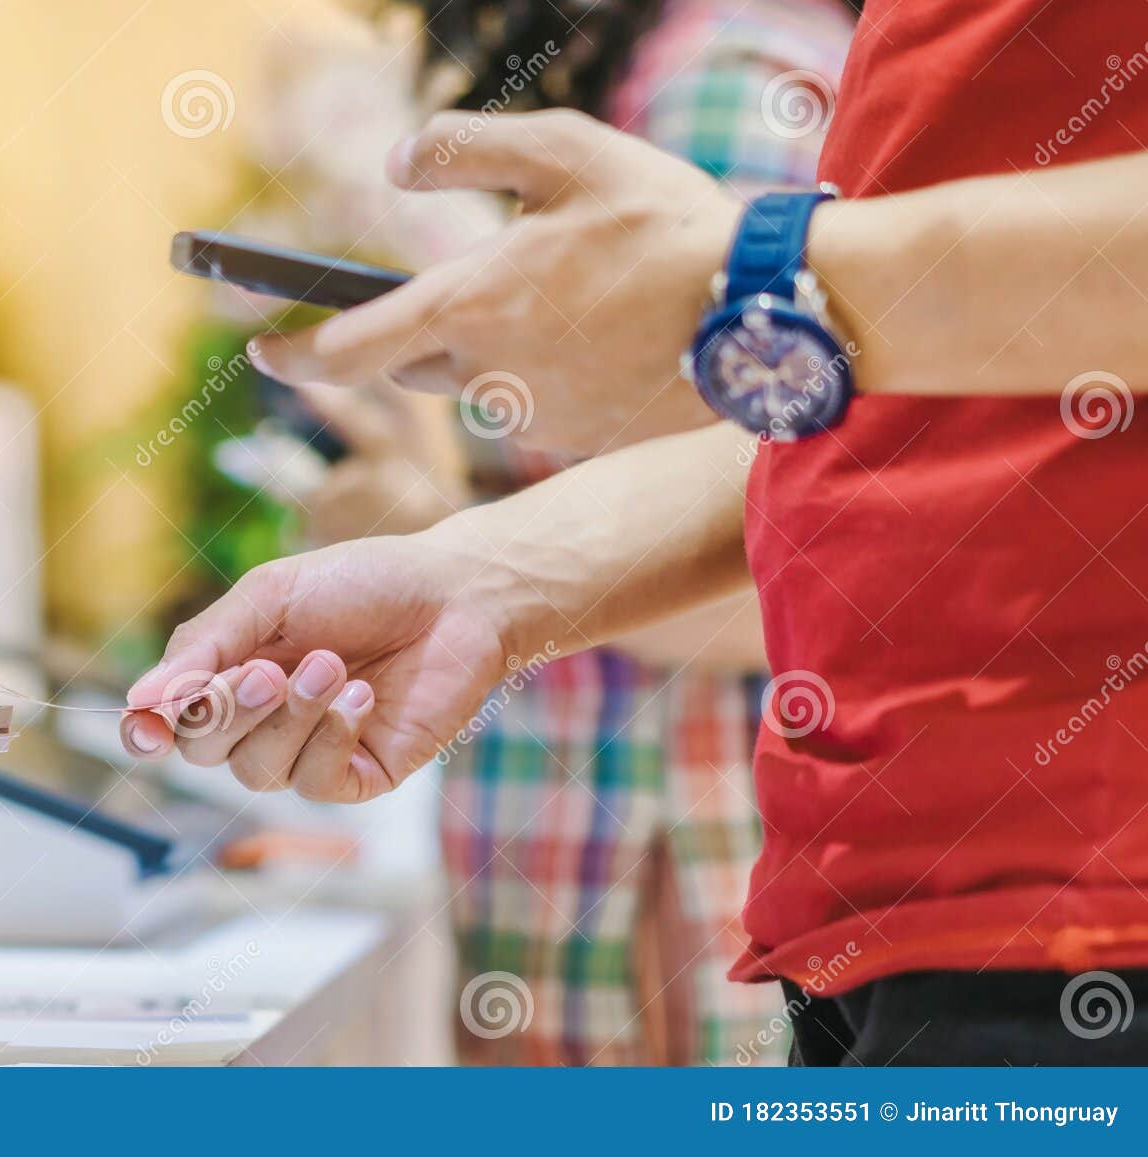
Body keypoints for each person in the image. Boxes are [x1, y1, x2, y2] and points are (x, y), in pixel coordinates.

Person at [124, 0, 1148, 1064]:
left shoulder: (731, 70)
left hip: (1073, 903)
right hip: (891, 913)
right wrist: (484, 573)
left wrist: (759, 275)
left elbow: (803, 388)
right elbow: (880, 441)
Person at [285, 0, 853, 1066]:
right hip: (637, 858)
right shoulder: (705, 60)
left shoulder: (724, 79)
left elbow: (785, 565)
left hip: (652, 870)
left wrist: (425, 530)